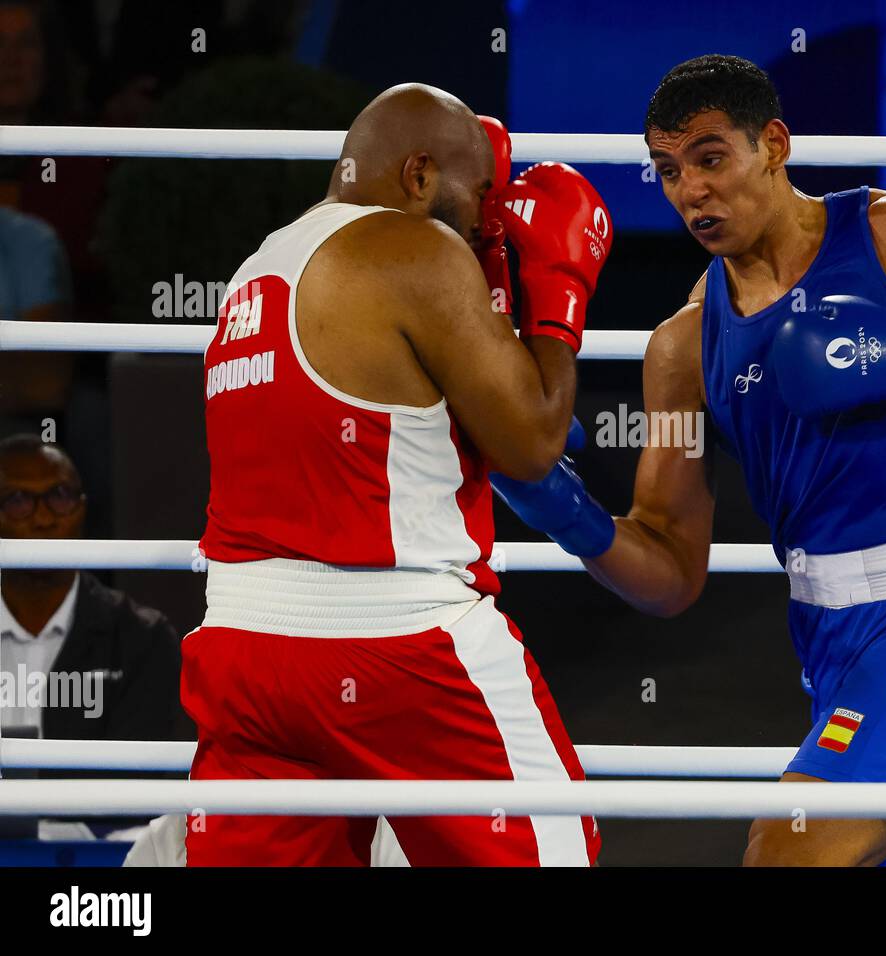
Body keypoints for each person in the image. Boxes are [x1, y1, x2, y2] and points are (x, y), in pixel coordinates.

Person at [490, 55, 886, 867]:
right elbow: (670, 567)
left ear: (775, 145)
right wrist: (564, 513)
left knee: (791, 848)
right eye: (668, 171)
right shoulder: (684, 348)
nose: (690, 191)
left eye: (711, 158)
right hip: (833, 641)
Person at [186, 83, 611, 866]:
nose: (490, 220)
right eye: (480, 195)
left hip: (243, 656)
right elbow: (533, 443)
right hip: (400, 650)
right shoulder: (415, 250)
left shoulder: (256, 271)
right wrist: (558, 294)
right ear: (418, 175)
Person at [0, 434, 182, 741]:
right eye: (19, 500)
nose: (44, 518)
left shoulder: (142, 638)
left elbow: (133, 781)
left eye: (60, 496)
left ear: (83, 508)